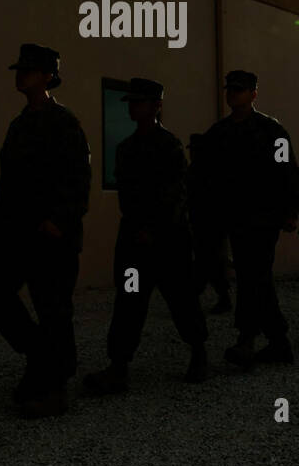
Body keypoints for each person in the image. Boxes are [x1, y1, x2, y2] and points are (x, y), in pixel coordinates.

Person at [0, 44, 91, 417]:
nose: (20, 74)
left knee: (53, 309)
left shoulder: (64, 122)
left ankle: (55, 387)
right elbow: (9, 183)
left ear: (47, 76)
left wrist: (58, 221)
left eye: (29, 70)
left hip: (50, 236)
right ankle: (42, 358)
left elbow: (79, 179)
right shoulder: (20, 123)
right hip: (16, 232)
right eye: (20, 69)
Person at [85, 79, 208, 394]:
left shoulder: (169, 146)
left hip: (167, 241)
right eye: (130, 102)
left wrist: (152, 230)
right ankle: (118, 366)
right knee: (128, 303)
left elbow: (175, 195)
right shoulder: (126, 148)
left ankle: (198, 352)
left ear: (156, 106)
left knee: (181, 300)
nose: (132, 108)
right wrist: (139, 229)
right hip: (135, 241)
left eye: (139, 102)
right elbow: (127, 196)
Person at [205, 70, 299, 371]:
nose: (233, 94)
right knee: (256, 277)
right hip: (235, 219)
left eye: (240, 89)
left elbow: (289, 173)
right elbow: (207, 178)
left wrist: (290, 212)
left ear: (253, 94)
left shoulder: (272, 131)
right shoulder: (219, 133)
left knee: (251, 276)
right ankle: (278, 340)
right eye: (230, 89)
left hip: (264, 219)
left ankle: (247, 339)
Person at [187, 131, 232, 315]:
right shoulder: (201, 171)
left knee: (208, 264)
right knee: (210, 263)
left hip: (210, 224)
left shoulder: (204, 172)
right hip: (204, 224)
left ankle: (194, 298)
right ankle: (218, 298)